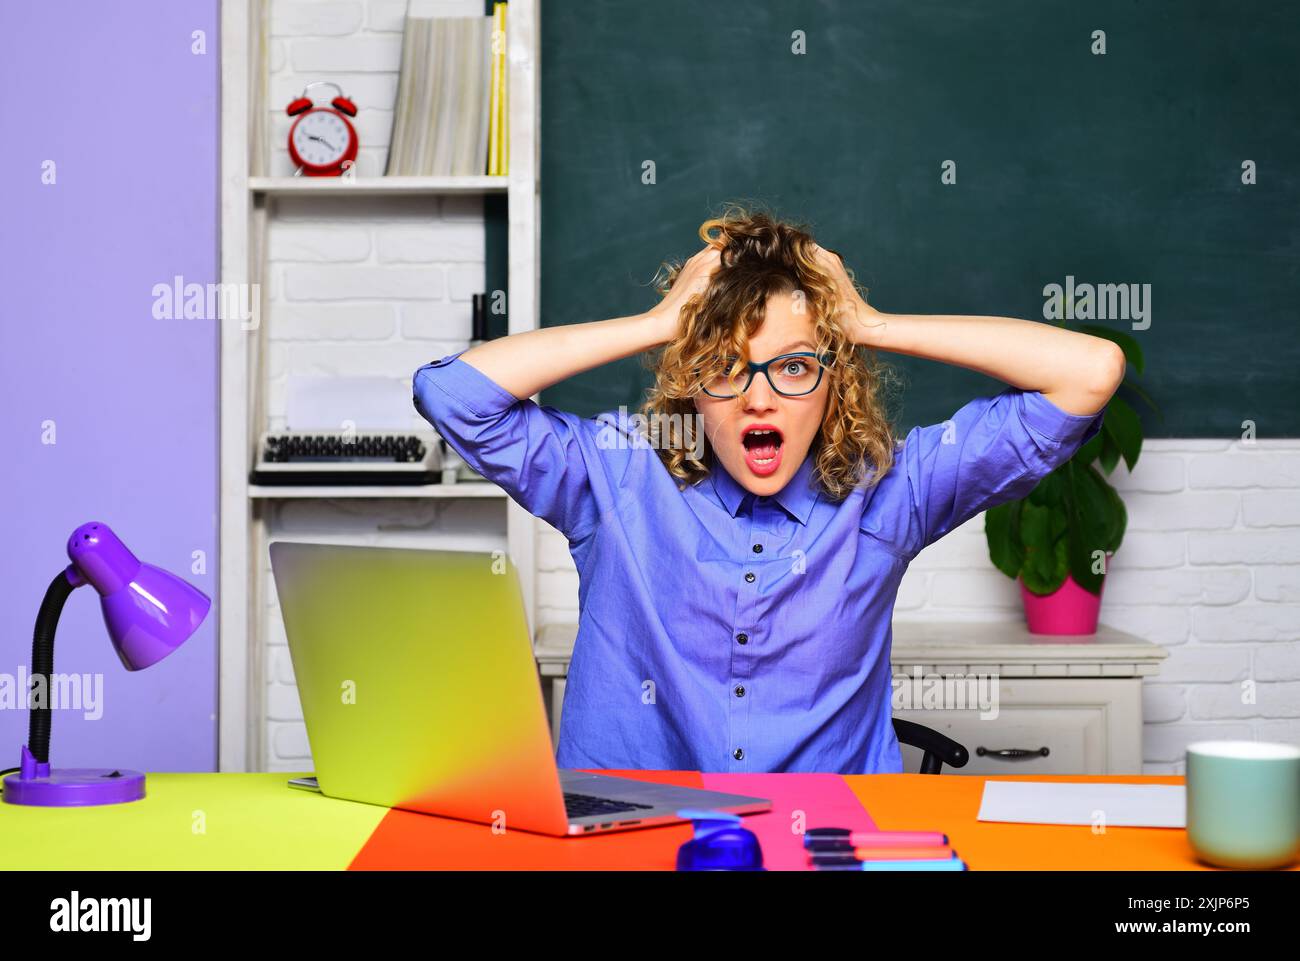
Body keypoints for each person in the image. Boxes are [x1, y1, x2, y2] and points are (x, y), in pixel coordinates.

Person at [412, 203, 1123, 774]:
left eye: (792, 367)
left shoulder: (892, 492)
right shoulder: (619, 473)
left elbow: (1090, 372)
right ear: (691, 386)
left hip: (825, 842)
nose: (760, 399)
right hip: (631, 840)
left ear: (832, 382)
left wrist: (869, 325)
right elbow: (451, 395)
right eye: (725, 366)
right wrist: (660, 323)